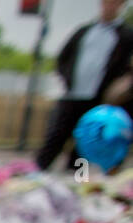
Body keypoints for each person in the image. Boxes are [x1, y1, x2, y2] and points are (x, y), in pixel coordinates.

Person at [35, 0, 133, 172]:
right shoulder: (84, 31)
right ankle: (34, 175)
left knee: (85, 146)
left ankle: (79, 181)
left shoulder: (126, 35)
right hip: (72, 95)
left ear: (121, 5)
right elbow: (63, 58)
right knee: (55, 136)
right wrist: (67, 79)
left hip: (99, 101)